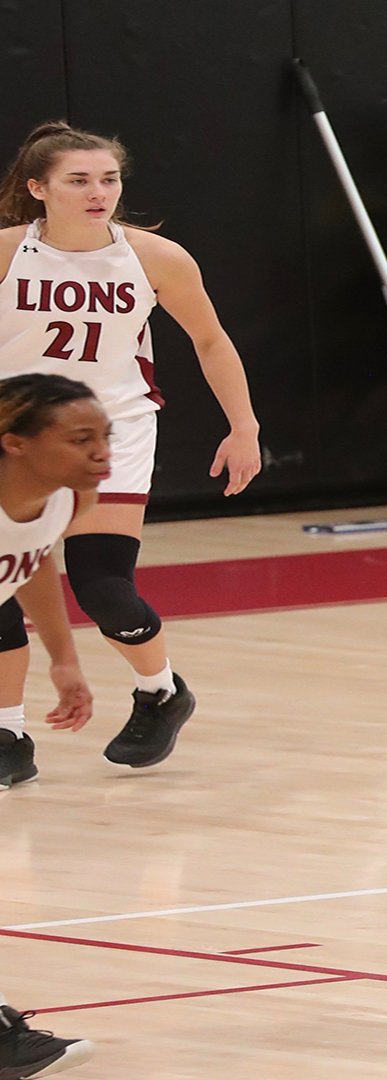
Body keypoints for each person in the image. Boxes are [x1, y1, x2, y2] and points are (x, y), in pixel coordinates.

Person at [0, 121, 262, 769]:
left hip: (109, 429)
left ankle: (160, 690)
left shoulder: (155, 257)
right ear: (39, 188)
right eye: (79, 180)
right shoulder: (7, 252)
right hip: (18, 439)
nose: (99, 192)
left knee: (103, 589)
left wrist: (244, 426)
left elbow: (210, 341)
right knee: (3, 586)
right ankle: (8, 733)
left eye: (109, 179)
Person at [0, 372, 121, 1078]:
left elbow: (33, 560)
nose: (102, 452)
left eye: (107, 436)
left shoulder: (58, 500)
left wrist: (63, 658)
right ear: (14, 443)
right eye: (81, 439)